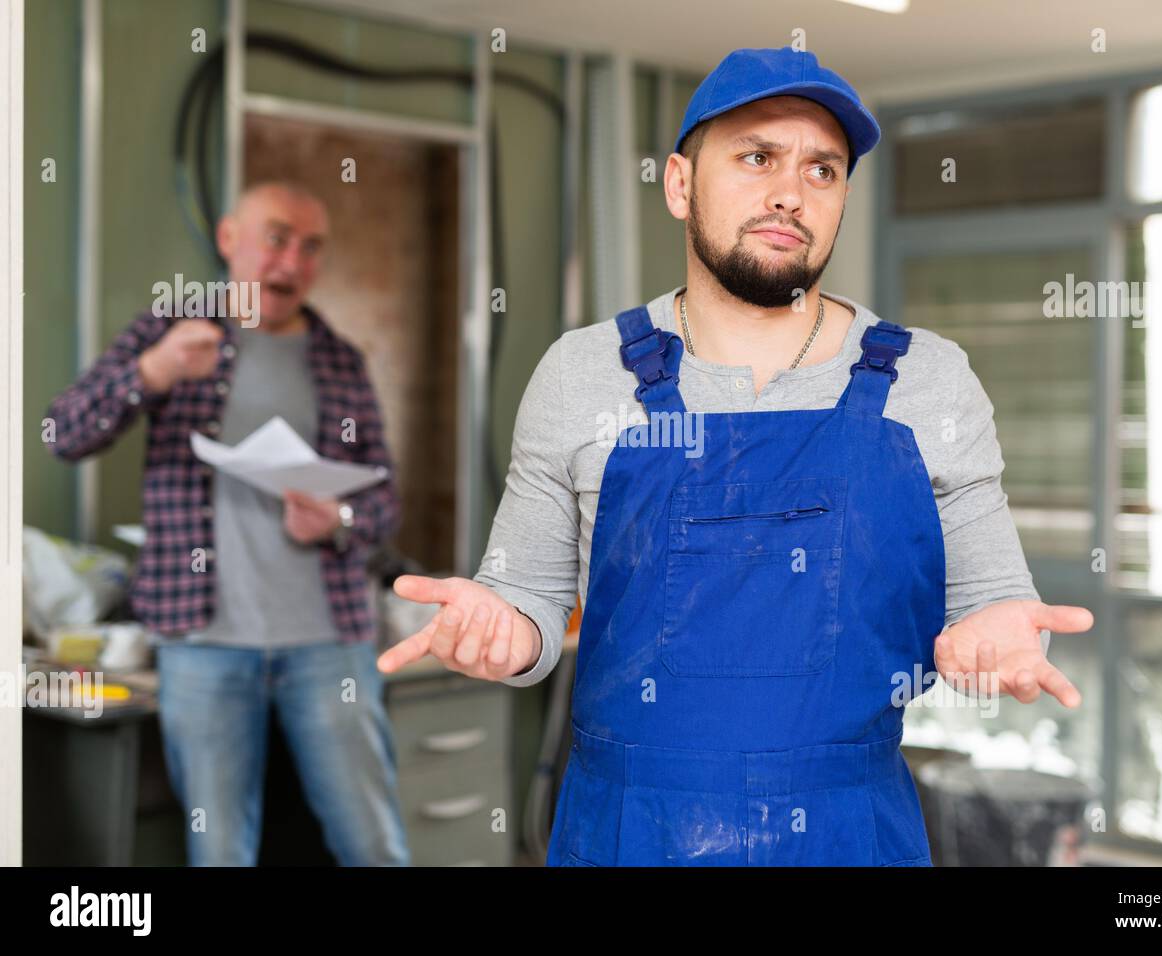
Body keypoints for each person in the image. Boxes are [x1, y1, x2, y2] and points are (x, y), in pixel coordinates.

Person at [378, 47, 1093, 866]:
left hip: (849, 835)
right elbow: (528, 607)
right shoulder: (583, 373)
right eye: (757, 158)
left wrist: (994, 639)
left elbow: (993, 603)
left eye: (822, 170)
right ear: (680, 183)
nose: (790, 191)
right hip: (628, 834)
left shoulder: (928, 381)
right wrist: (501, 633)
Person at [46, 180, 409, 866]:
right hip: (201, 643)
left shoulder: (340, 359)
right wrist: (150, 373)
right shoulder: (173, 333)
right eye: (275, 238)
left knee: (373, 844)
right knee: (219, 853)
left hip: (330, 642)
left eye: (310, 248)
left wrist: (340, 518)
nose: (291, 262)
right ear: (229, 239)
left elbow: (384, 501)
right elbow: (61, 432)